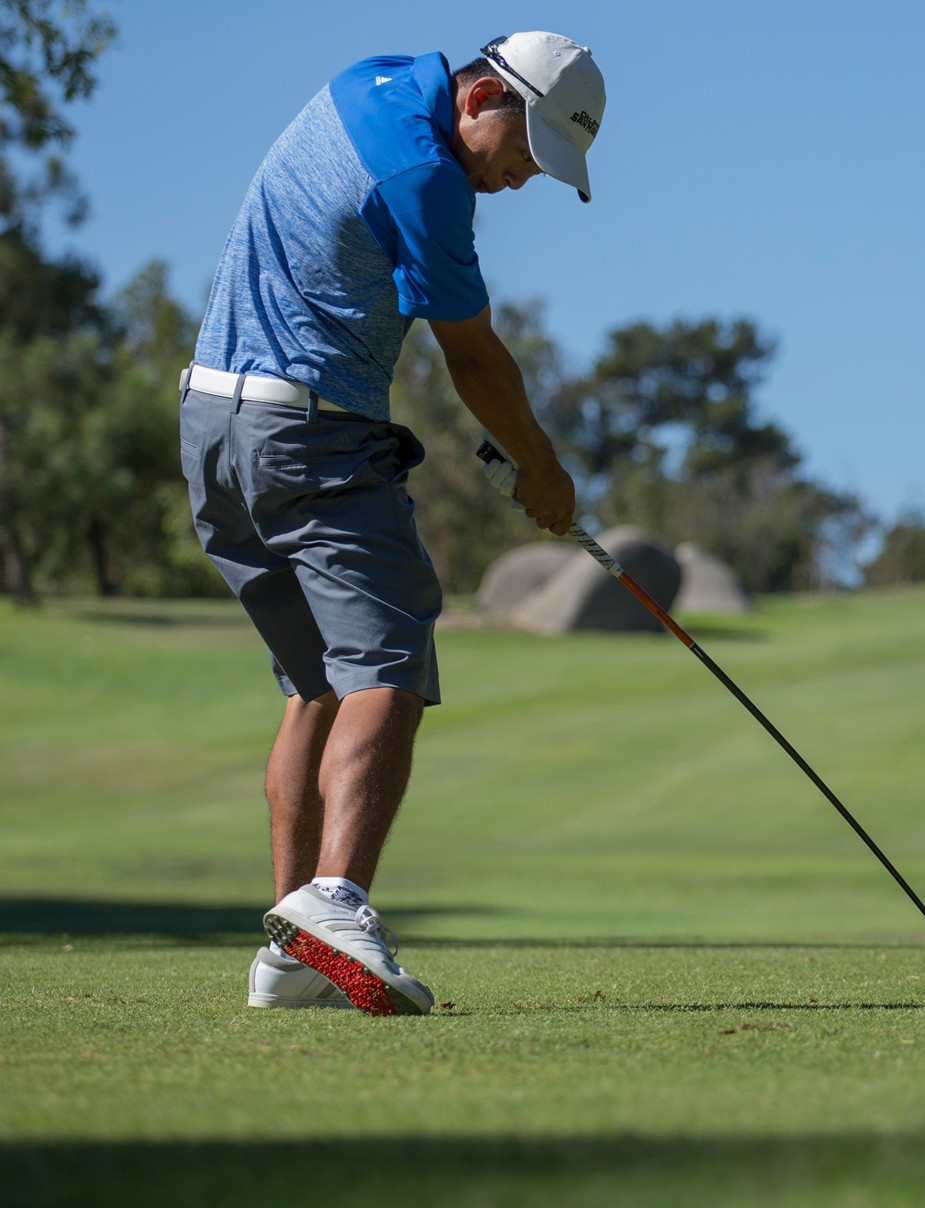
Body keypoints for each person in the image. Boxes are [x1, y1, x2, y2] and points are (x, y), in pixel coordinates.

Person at [179, 32, 605, 1015]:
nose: (520, 178)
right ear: (482, 98)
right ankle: (336, 901)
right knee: (389, 656)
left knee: (319, 685)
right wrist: (544, 470)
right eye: (525, 150)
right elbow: (474, 357)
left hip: (212, 429)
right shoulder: (429, 178)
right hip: (307, 433)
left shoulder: (369, 82)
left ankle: (292, 953)